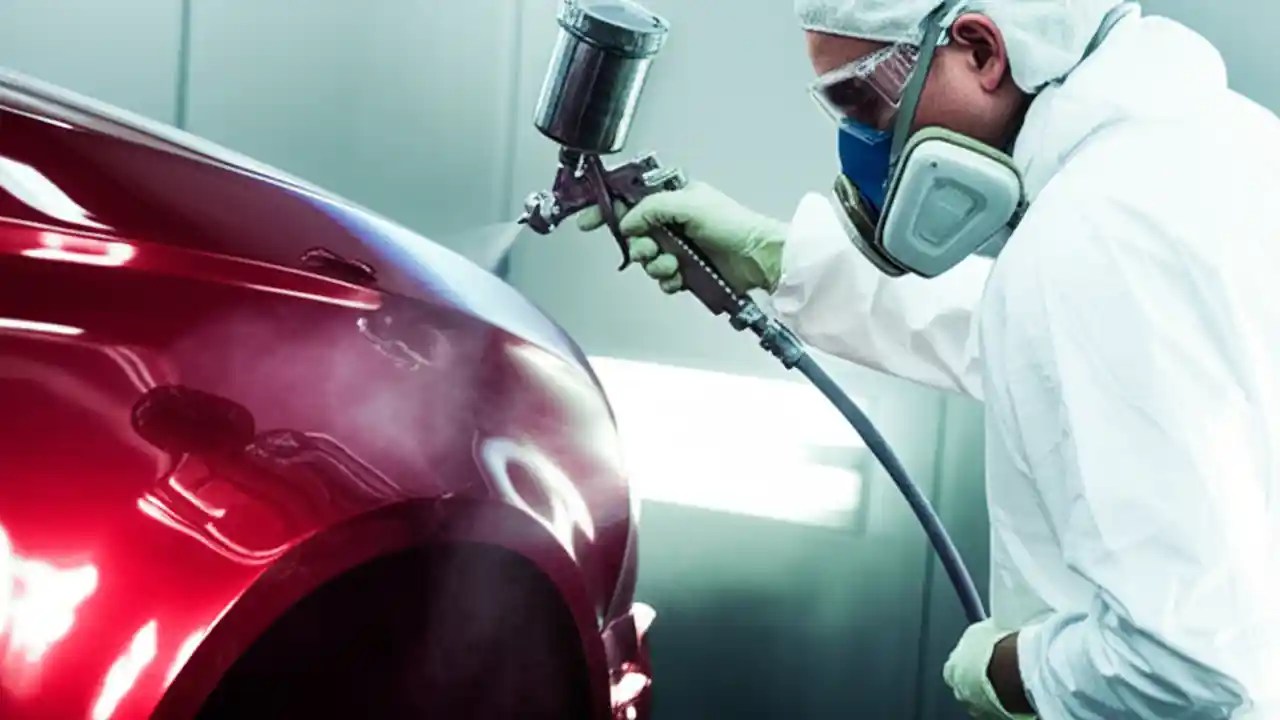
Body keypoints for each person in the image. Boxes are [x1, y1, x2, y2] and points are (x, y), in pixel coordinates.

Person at [578, 1, 1280, 718]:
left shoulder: (1093, 233)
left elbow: (1182, 662)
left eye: (861, 99)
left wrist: (1013, 671)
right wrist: (781, 258)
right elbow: (1041, 342)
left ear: (980, 51)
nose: (861, 141)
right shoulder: (1217, 148)